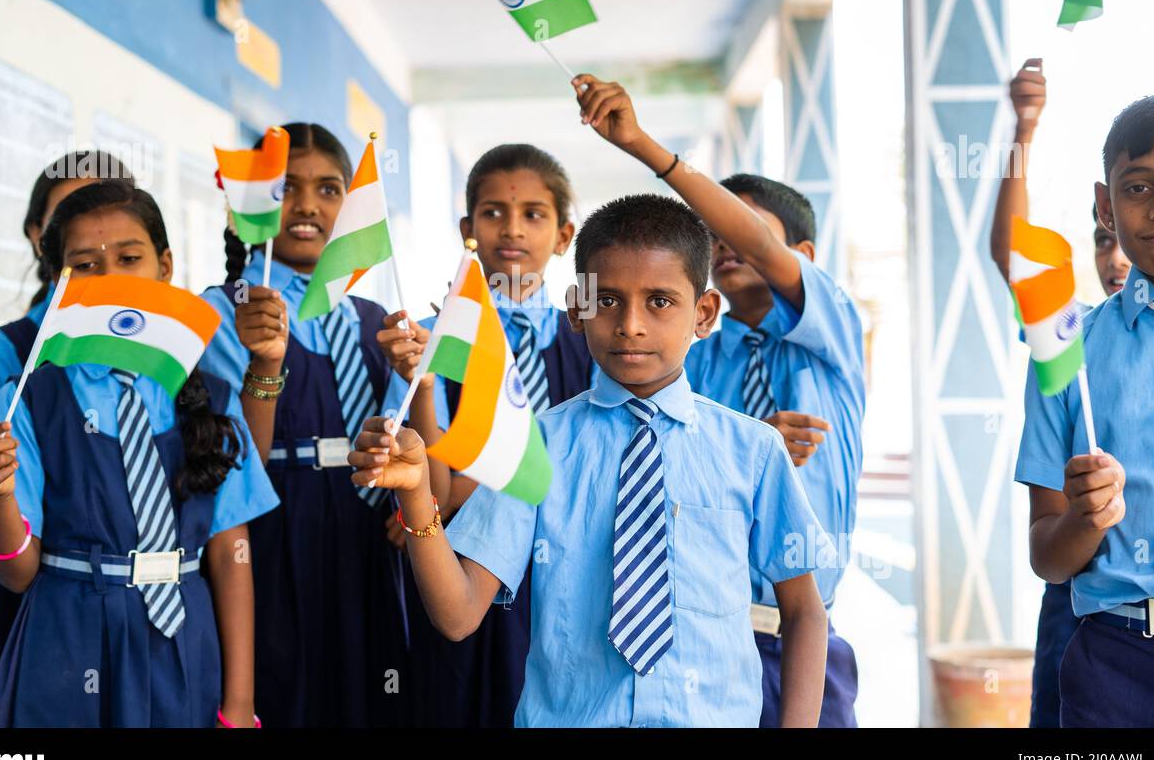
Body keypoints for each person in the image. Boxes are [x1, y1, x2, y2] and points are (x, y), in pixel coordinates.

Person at [352, 191, 829, 726]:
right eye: (607, 301)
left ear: (704, 313)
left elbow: (805, 609)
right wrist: (417, 497)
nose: (630, 324)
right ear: (577, 309)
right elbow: (458, 615)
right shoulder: (536, 447)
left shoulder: (753, 450)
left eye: (660, 301)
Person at [0, 180, 277, 726]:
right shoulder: (28, 397)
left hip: (184, 643)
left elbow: (230, 554)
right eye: (86, 264)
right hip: (67, 645)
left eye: (130, 258)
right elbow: (17, 574)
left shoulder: (211, 396)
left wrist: (240, 705)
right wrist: (0, 493)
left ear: (165, 266)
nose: (112, 279)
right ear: (58, 282)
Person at [569, 73, 865, 726]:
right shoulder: (688, 364)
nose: (726, 242)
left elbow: (761, 244)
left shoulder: (833, 334)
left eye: (742, 227)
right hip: (699, 639)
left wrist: (646, 147)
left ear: (805, 255)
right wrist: (749, 446)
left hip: (801, 636)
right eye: (713, 231)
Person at [200, 123, 407, 726]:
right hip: (266, 524)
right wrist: (262, 357)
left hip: (361, 530)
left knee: (366, 687)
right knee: (279, 682)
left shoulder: (373, 319)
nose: (308, 205)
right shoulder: (225, 308)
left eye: (329, 188)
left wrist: (408, 370)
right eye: (287, 188)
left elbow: (402, 433)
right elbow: (230, 451)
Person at [378, 142, 590, 727]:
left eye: (533, 215)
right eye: (493, 212)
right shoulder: (433, 339)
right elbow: (439, 495)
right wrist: (421, 383)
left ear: (565, 234)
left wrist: (489, 484)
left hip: (568, 570)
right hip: (467, 567)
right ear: (467, 228)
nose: (512, 229)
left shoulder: (591, 341)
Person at [1015, 89, 1154, 726]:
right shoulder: (1069, 351)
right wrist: (1085, 521)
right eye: (1139, 187)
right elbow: (1047, 554)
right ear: (1105, 207)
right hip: (1115, 665)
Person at [0, 150, 134, 728]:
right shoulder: (8, 351)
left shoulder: (163, 357)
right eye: (70, 220)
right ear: (43, 239)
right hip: (36, 595)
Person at [989, 59, 1130, 727]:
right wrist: (1024, 129)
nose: (1117, 259)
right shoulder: (1072, 342)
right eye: (1105, 242)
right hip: (1086, 618)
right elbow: (1015, 255)